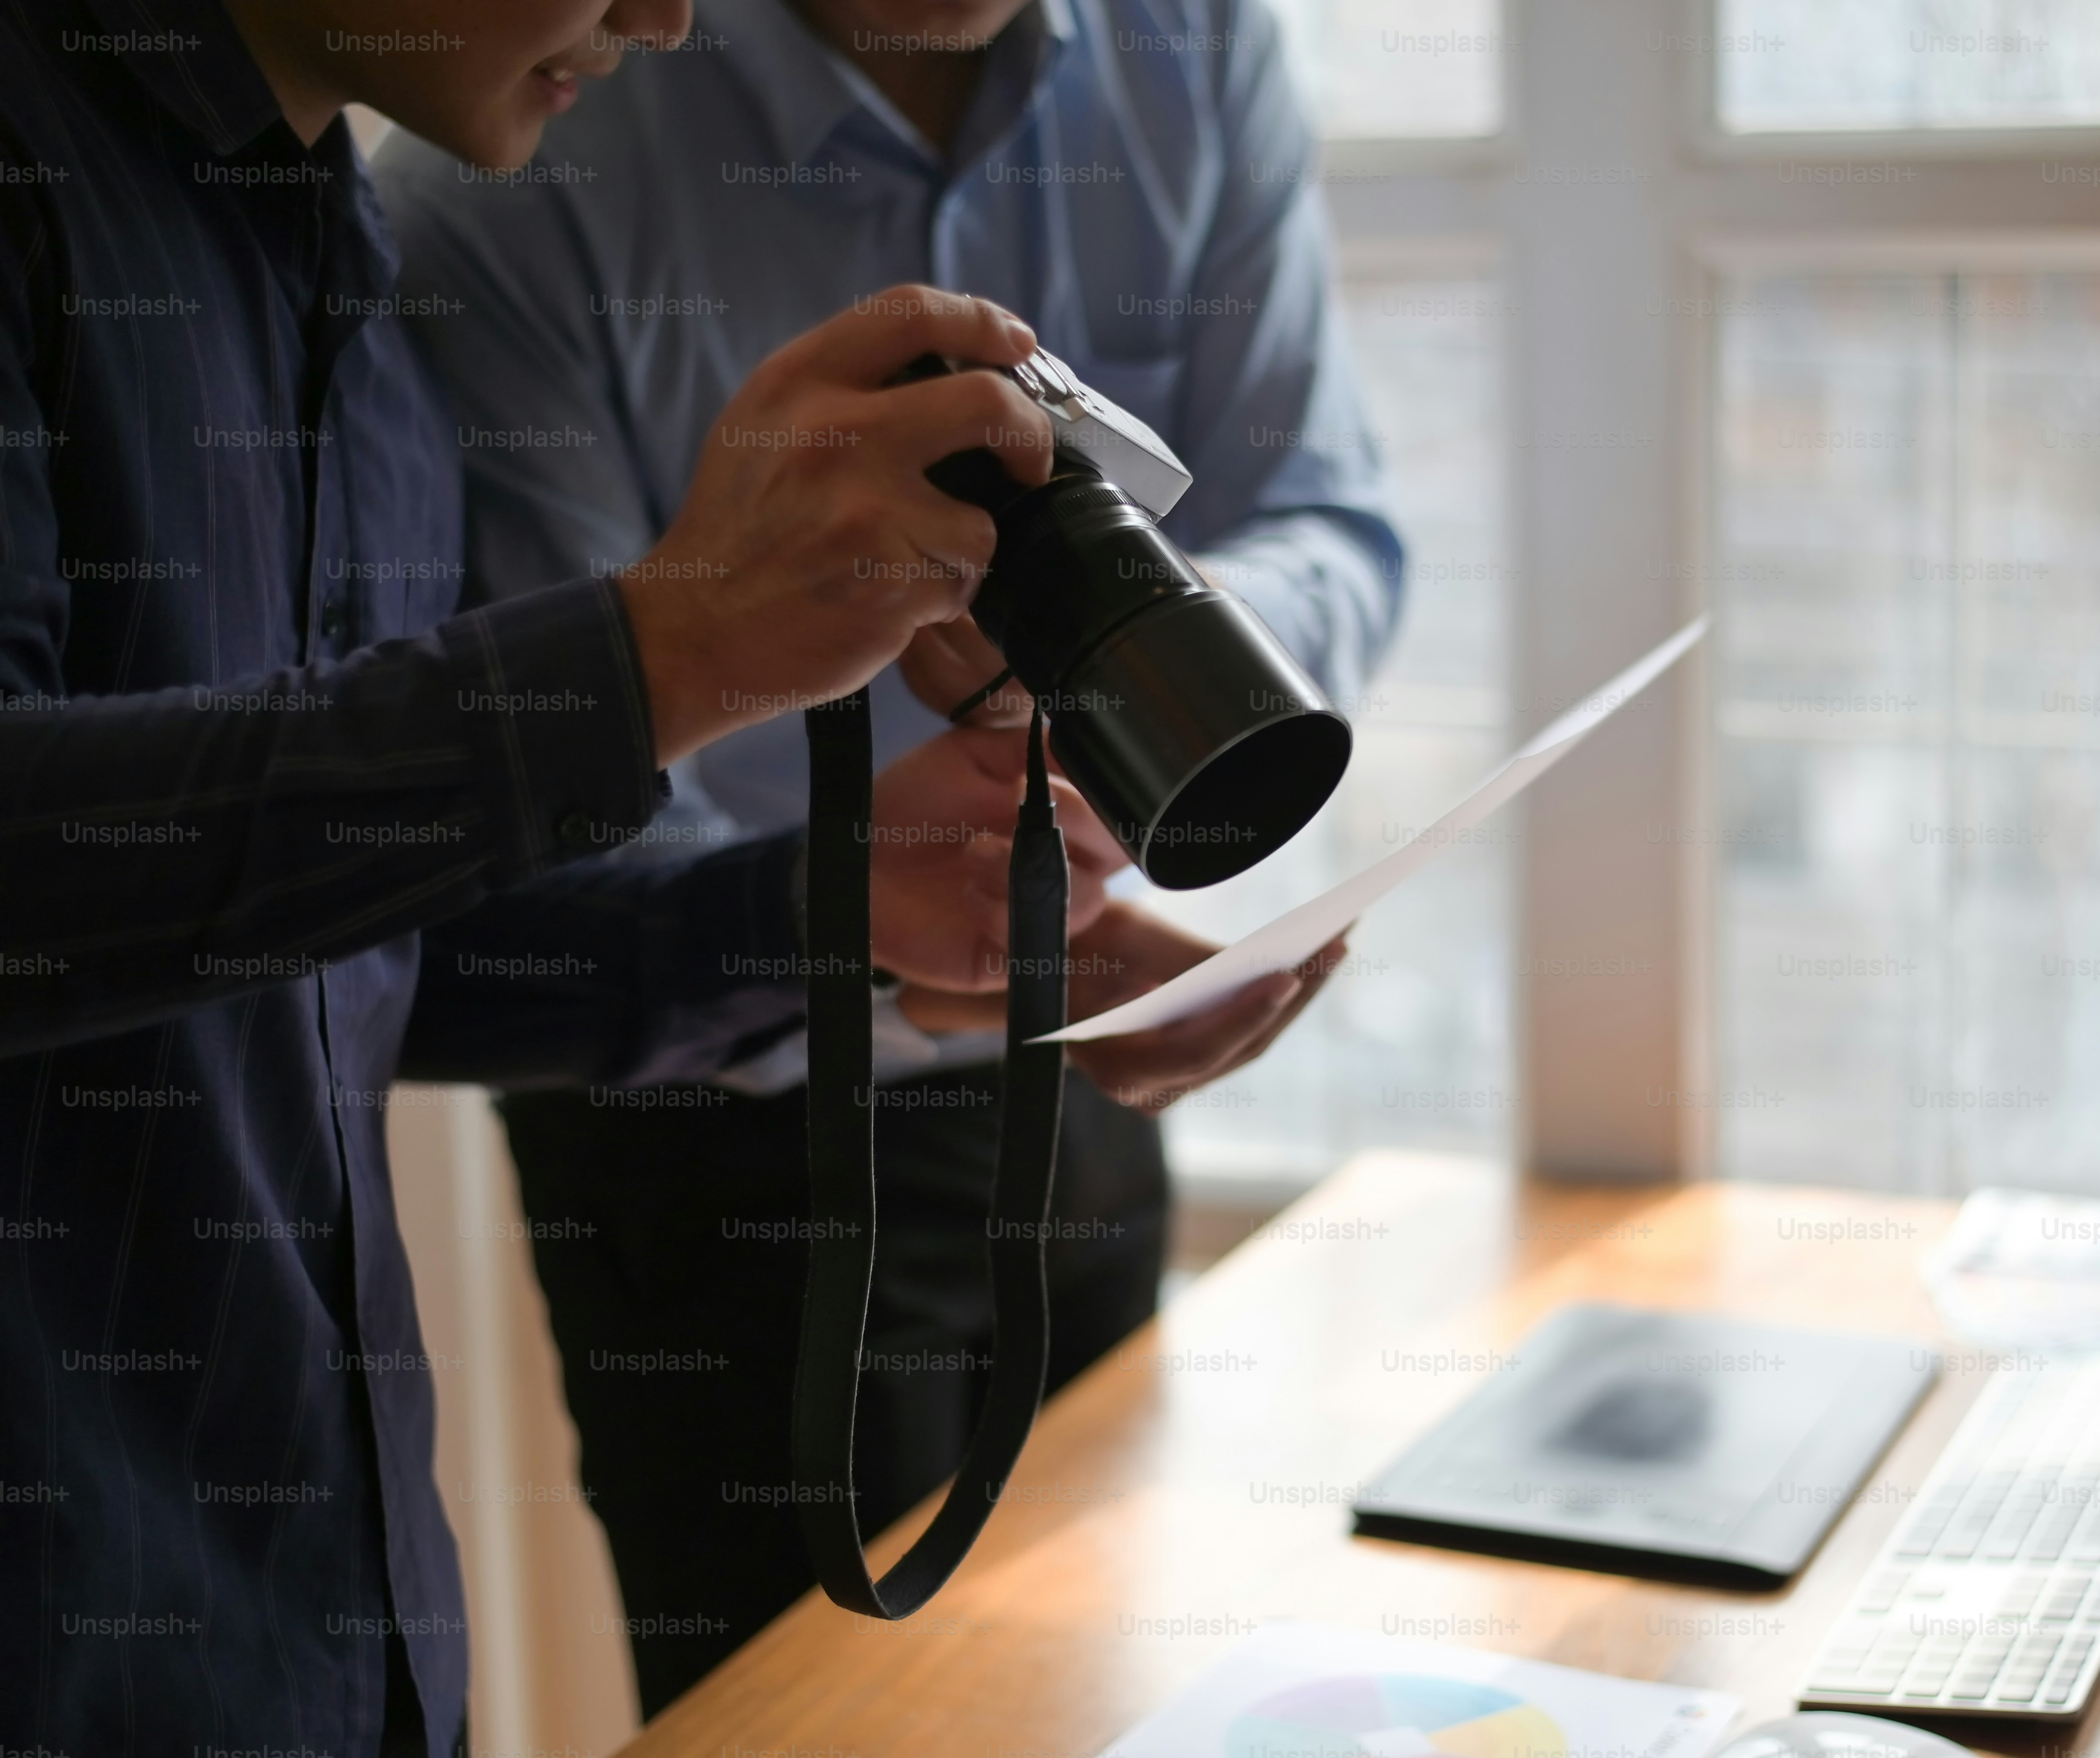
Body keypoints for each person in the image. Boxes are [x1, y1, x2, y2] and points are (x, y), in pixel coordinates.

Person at [0, 1, 1336, 1752]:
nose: (670, 10)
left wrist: (834, 912)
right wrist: (668, 651)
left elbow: (357, 957)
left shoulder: (346, 262)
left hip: (324, 1633)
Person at [372, 0, 1403, 1711]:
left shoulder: (1194, 42)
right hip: (717, 1137)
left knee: (1103, 1692)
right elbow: (553, 795)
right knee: (812, 1727)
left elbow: (1327, 513)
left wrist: (1114, 703)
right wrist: (849, 899)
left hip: (1072, 1048)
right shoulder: (520, 116)